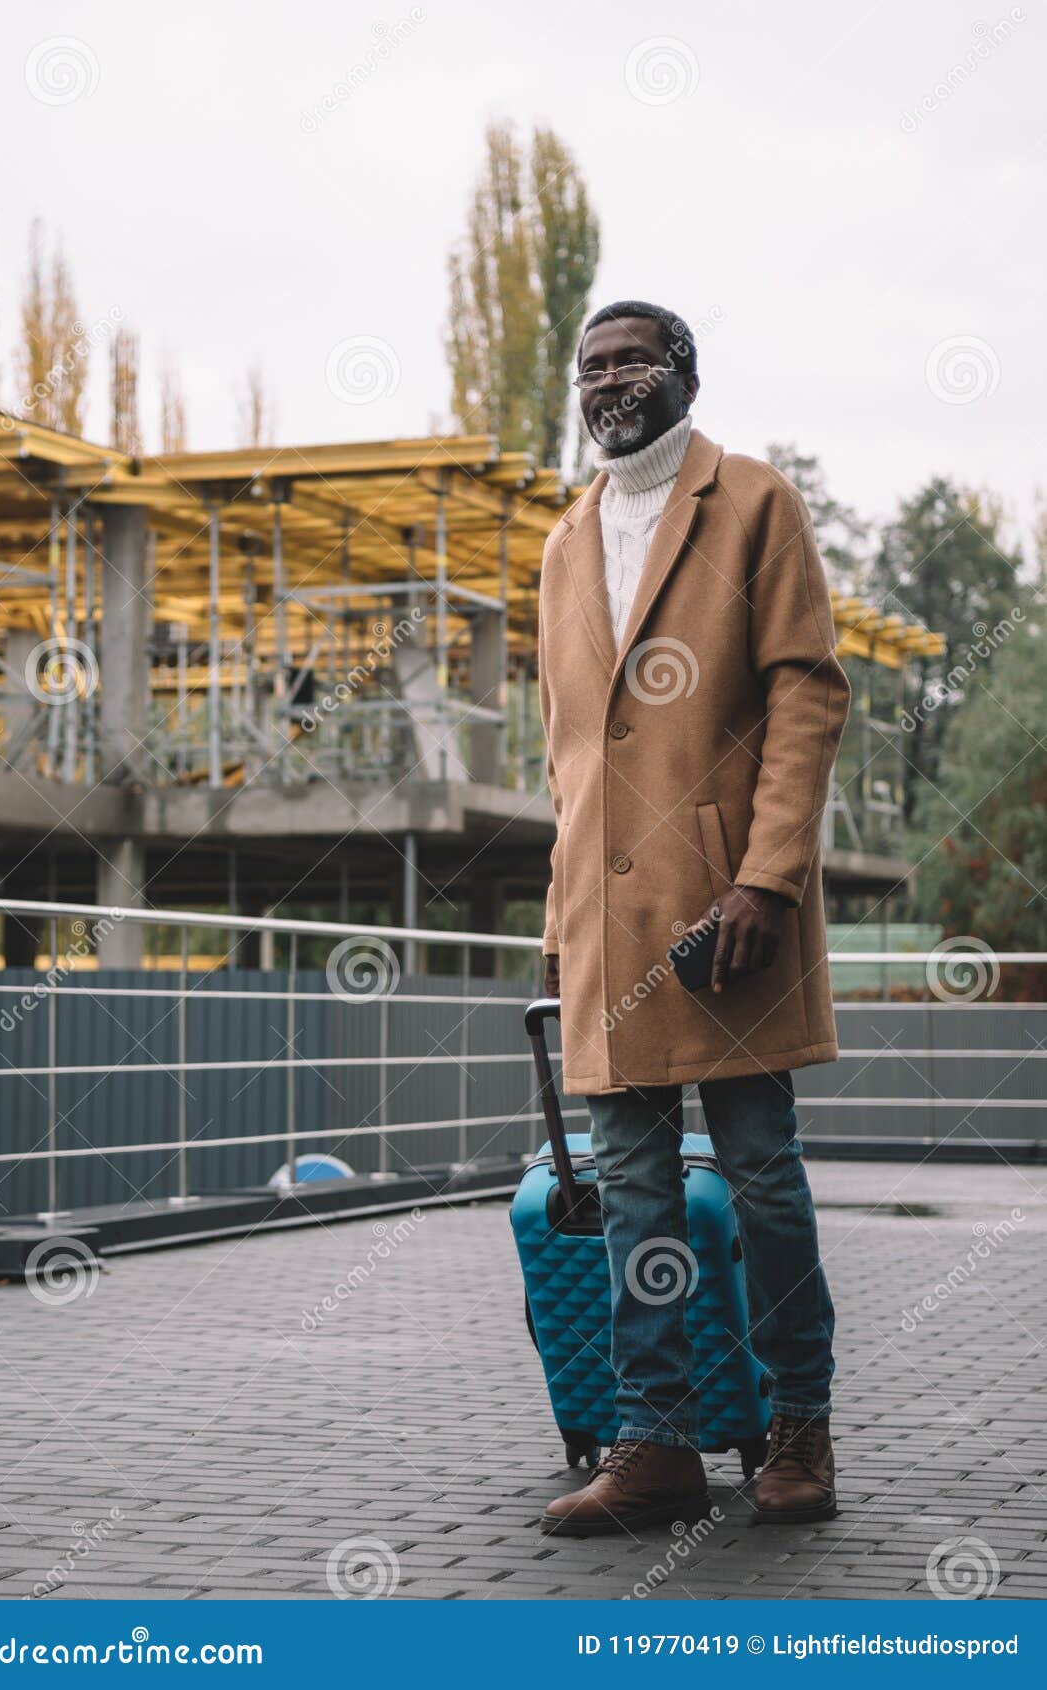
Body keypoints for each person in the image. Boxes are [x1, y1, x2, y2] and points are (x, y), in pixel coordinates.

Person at [537, 299, 851, 1536]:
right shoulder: (564, 540)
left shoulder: (755, 502)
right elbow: (574, 751)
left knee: (763, 1178)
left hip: (725, 917)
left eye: (633, 359)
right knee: (633, 1193)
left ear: (683, 374)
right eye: (591, 365)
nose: (609, 380)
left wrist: (768, 877)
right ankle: (656, 1444)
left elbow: (808, 691)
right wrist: (566, 904)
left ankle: (798, 1430)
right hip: (606, 928)